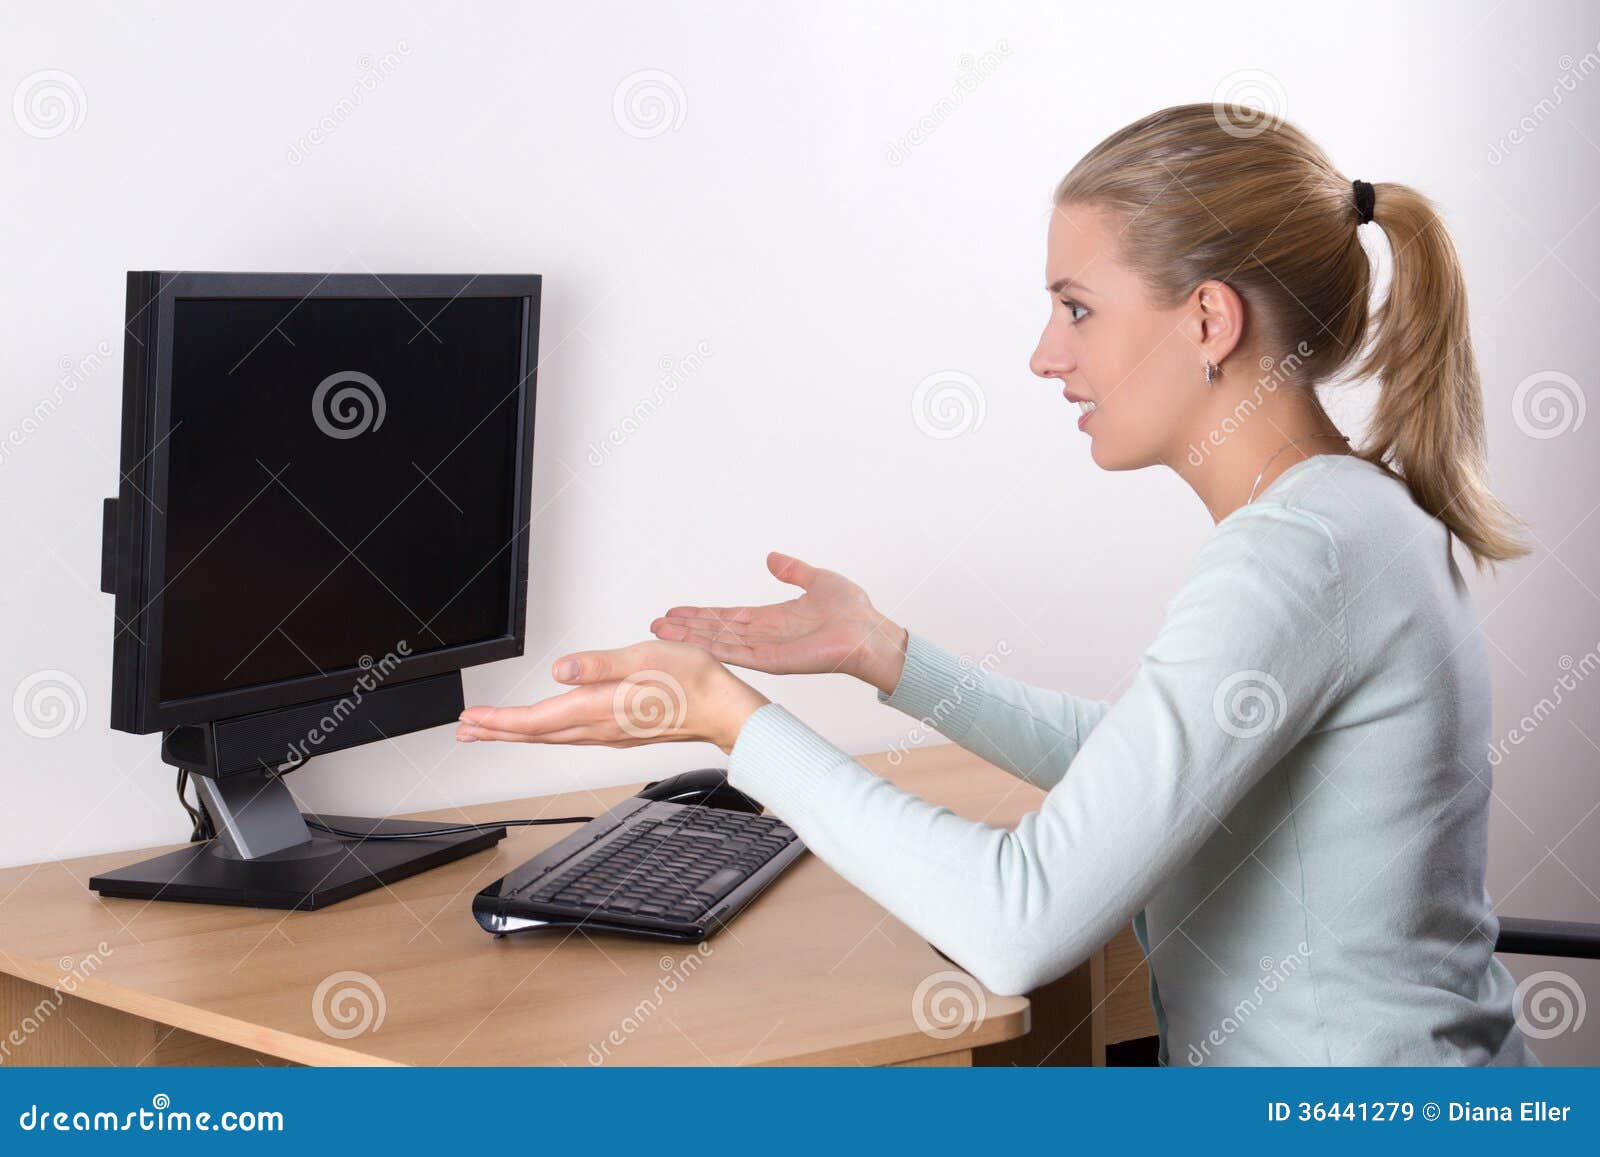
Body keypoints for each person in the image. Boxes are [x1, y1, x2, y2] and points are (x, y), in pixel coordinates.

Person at [455, 104, 1536, 1066]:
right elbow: (1145, 767)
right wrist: (888, 654)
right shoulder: (1354, 511)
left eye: (1076, 307)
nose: (1042, 355)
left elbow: (1016, 922)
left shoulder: (1295, 555)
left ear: (1208, 320)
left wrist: (726, 718)